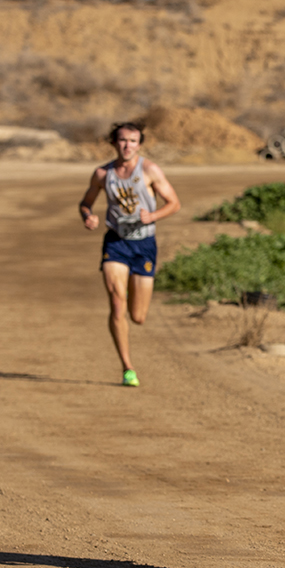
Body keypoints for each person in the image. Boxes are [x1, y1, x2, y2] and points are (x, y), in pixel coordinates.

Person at [78, 122, 181, 386]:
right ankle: (127, 368)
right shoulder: (103, 174)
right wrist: (88, 216)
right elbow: (86, 202)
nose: (127, 146)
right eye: (122, 140)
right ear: (114, 143)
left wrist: (153, 215)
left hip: (144, 245)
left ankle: (132, 305)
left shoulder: (150, 170)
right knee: (116, 303)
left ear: (139, 144)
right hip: (116, 243)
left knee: (138, 316)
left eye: (133, 141)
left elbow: (174, 203)